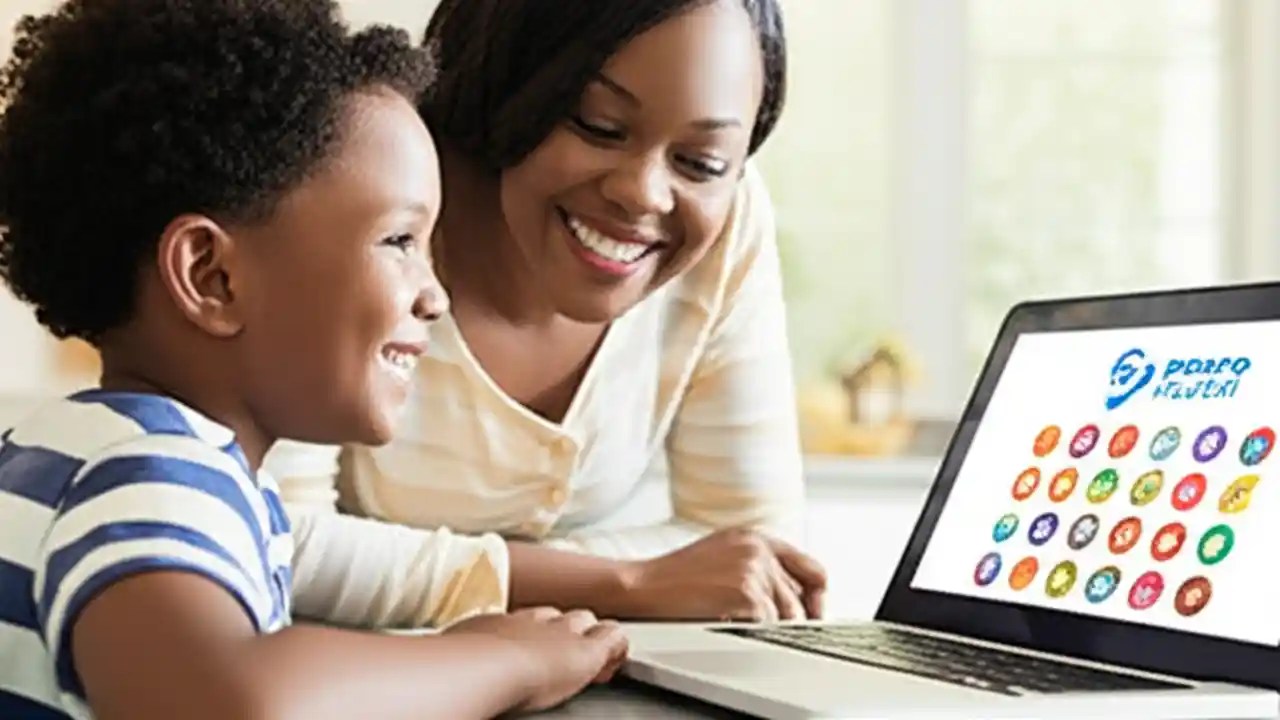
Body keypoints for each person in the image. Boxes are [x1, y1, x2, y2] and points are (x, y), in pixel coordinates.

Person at [0, 1, 625, 718]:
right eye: (400, 242)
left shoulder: (60, 452)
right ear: (213, 277)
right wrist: (505, 658)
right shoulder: (153, 477)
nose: (436, 297)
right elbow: (232, 705)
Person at [267, 0, 828, 626]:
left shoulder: (728, 231)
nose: (643, 193)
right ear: (508, 84)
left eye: (701, 163)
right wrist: (625, 584)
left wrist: (565, 587)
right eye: (598, 126)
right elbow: (276, 542)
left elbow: (755, 554)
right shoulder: (367, 185)